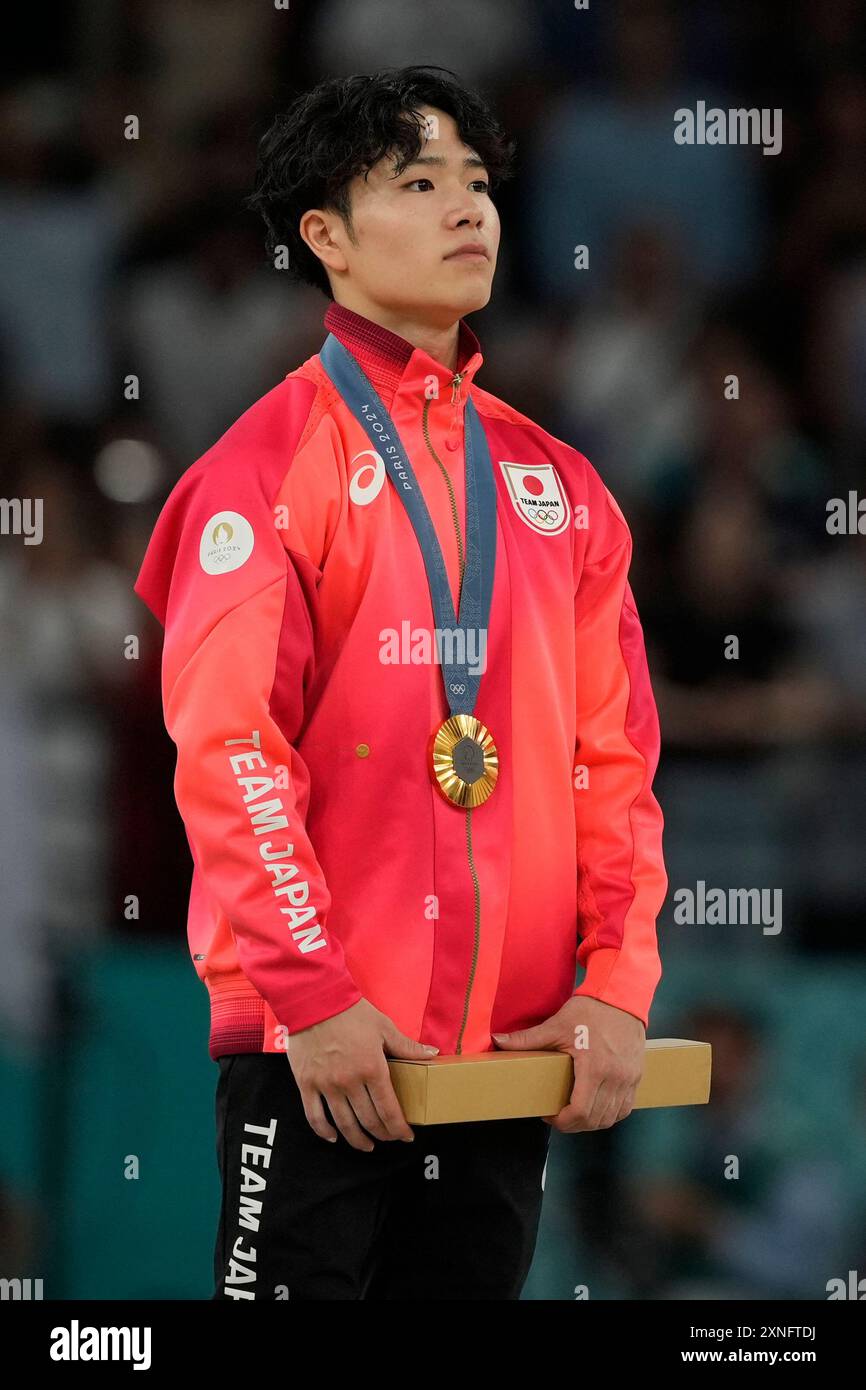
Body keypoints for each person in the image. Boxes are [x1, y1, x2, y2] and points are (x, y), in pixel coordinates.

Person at [133, 65, 668, 1301]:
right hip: (319, 1056)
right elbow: (230, 751)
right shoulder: (263, 470)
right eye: (417, 184)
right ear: (323, 236)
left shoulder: (561, 489)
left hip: (508, 1060)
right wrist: (312, 997)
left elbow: (612, 763)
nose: (465, 208)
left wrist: (615, 987)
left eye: (476, 183)